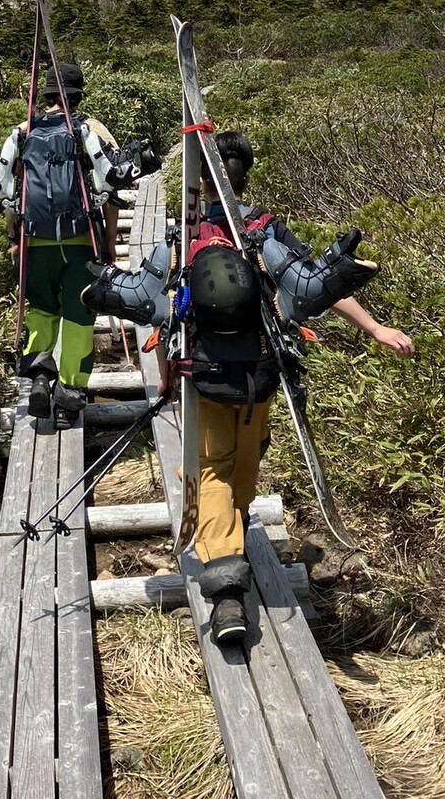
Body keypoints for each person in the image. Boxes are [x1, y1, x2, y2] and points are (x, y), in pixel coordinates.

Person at [157, 130, 414, 646]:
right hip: (261, 372)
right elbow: (311, 287)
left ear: (200, 180)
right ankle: (231, 545)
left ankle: (226, 584)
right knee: (244, 465)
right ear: (244, 175)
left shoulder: (183, 234)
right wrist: (377, 328)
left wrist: (166, 374)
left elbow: (159, 305)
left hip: (204, 375)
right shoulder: (263, 229)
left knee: (210, 469)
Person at [4, 61, 120, 429]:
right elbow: (111, 186)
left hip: (35, 241)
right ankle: (69, 400)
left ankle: (40, 376)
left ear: (48, 95)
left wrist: (13, 240)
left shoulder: (24, 131)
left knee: (41, 311)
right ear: (77, 94)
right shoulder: (91, 129)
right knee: (78, 320)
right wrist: (109, 242)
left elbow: (12, 193)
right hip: (80, 241)